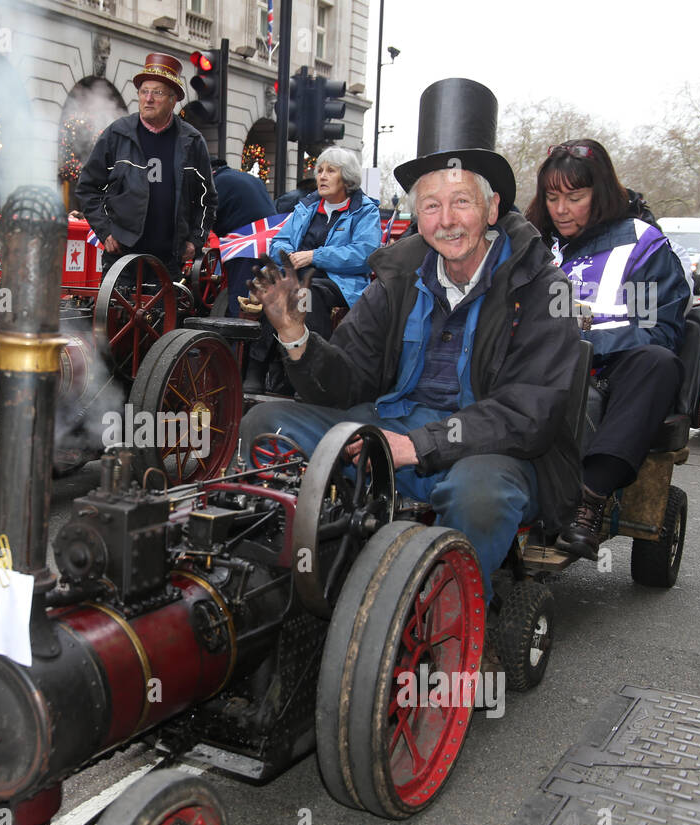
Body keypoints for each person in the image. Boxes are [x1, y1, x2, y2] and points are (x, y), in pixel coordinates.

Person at [240, 78, 581, 603]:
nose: (446, 222)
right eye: (431, 206)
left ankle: (450, 623)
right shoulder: (398, 276)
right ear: (415, 216)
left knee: (481, 497)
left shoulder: (540, 287)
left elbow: (528, 415)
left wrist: (417, 446)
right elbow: (350, 376)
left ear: (492, 209)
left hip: (486, 450)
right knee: (267, 425)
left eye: (461, 202)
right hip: (391, 428)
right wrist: (296, 337)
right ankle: (298, 591)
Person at [525, 139, 690, 559]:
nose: (561, 209)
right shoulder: (538, 247)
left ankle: (590, 498)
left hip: (614, 374)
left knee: (657, 362)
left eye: (575, 197)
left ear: (600, 195)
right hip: (543, 366)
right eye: (552, 197)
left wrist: (586, 346)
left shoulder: (641, 245)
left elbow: (654, 330)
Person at [76, 52, 216, 280]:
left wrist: (195, 240)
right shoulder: (116, 134)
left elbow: (206, 199)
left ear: (173, 99)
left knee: (168, 316)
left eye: (157, 92)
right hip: (121, 256)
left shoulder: (192, 141)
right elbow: (88, 188)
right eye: (144, 91)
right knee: (113, 315)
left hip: (169, 259)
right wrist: (106, 232)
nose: (148, 98)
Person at [266, 146, 381, 340]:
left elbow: (364, 255)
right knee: (270, 287)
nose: (322, 176)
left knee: (307, 291)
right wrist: (288, 257)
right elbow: (279, 242)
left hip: (339, 281)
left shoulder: (365, 211)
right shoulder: (305, 207)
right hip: (296, 275)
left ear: (347, 177)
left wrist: (314, 256)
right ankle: (263, 362)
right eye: (320, 171)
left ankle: (315, 359)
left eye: (331, 170)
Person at [210, 157, 275, 319]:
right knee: (262, 294)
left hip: (246, 242)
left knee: (241, 297)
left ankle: (239, 341)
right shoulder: (249, 178)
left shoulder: (216, 183)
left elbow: (204, 215)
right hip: (273, 237)